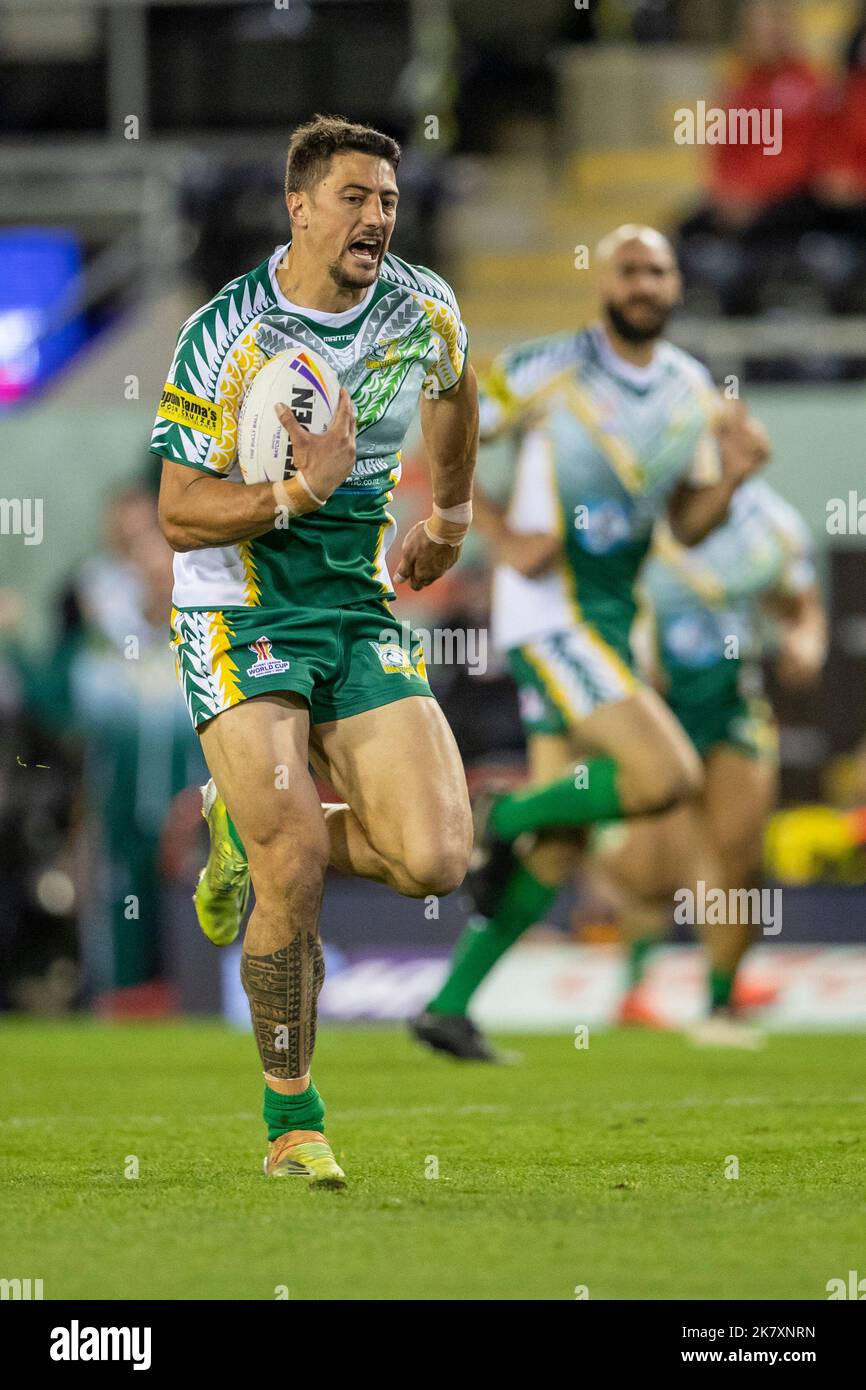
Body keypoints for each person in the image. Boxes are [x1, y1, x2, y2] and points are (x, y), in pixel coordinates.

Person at [153, 116, 478, 1186]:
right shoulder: (225, 333)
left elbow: (456, 384)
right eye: (354, 197)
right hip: (238, 613)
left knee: (433, 857)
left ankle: (239, 823)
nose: (376, 217)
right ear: (298, 208)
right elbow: (178, 509)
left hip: (354, 607)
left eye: (385, 200)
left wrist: (451, 514)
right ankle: (292, 1119)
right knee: (294, 861)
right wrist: (300, 488)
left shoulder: (419, 305)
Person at [410, 224, 768, 1062]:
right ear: (602, 283)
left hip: (610, 623)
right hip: (550, 615)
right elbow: (443, 418)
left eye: (658, 270)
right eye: (629, 269)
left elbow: (684, 521)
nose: (644, 283)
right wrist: (488, 528)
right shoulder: (546, 367)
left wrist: (740, 473)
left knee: (565, 842)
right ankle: (504, 810)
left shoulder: (691, 392)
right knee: (667, 774)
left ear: (676, 285)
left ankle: (450, 1006)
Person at [596, 478, 827, 1047]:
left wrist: (803, 642)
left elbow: (800, 607)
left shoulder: (766, 520)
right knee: (652, 867)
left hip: (729, 702)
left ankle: (721, 1003)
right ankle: (632, 990)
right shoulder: (631, 504)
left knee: (737, 857)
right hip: (653, 701)